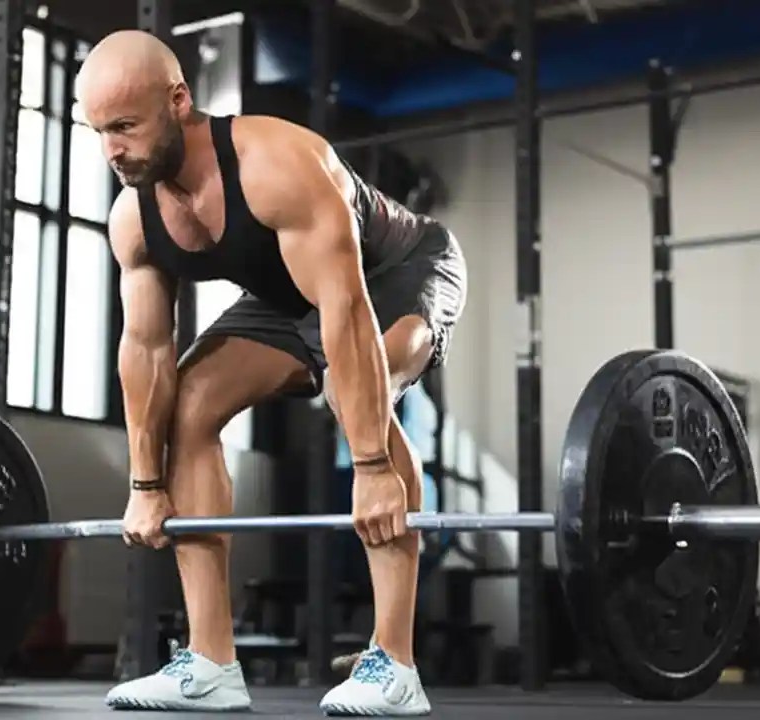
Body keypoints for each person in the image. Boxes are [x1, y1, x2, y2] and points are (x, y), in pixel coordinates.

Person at [76, 29, 467, 716]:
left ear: (179, 100)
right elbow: (146, 350)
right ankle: (210, 663)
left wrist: (372, 466)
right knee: (190, 406)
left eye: (126, 127)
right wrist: (144, 486)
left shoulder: (276, 162)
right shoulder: (133, 219)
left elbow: (346, 309)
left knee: (360, 397)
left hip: (400, 271)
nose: (113, 150)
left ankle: (395, 664)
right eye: (100, 131)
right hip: (289, 297)